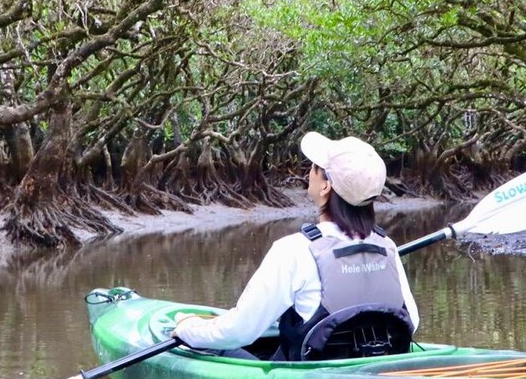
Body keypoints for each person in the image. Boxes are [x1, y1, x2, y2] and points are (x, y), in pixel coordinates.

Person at [173, 132, 420, 360]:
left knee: (218, 345)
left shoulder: (294, 250)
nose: (309, 171)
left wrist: (188, 329)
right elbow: (412, 322)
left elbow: (240, 331)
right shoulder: (387, 247)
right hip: (371, 371)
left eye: (314, 167)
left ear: (325, 186)